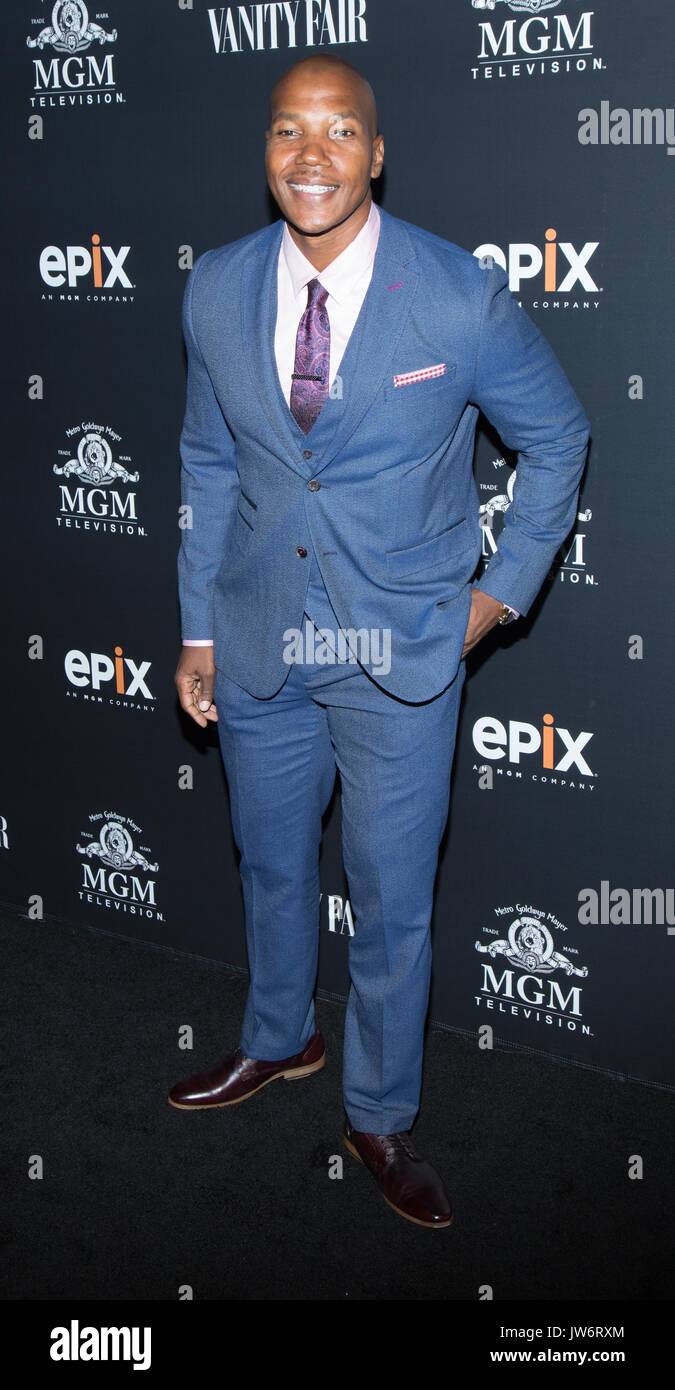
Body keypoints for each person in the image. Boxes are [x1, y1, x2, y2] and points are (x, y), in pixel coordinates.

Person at [168, 54, 591, 1229]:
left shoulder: (456, 296)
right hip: (258, 642)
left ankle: (378, 1112)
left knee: (394, 899)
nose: (312, 154)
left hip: (400, 652)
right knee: (268, 860)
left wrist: (494, 598)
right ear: (265, 151)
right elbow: (208, 461)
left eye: (339, 130)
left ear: (377, 151)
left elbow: (557, 441)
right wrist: (199, 625)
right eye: (288, 131)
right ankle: (277, 1037)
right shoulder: (215, 289)